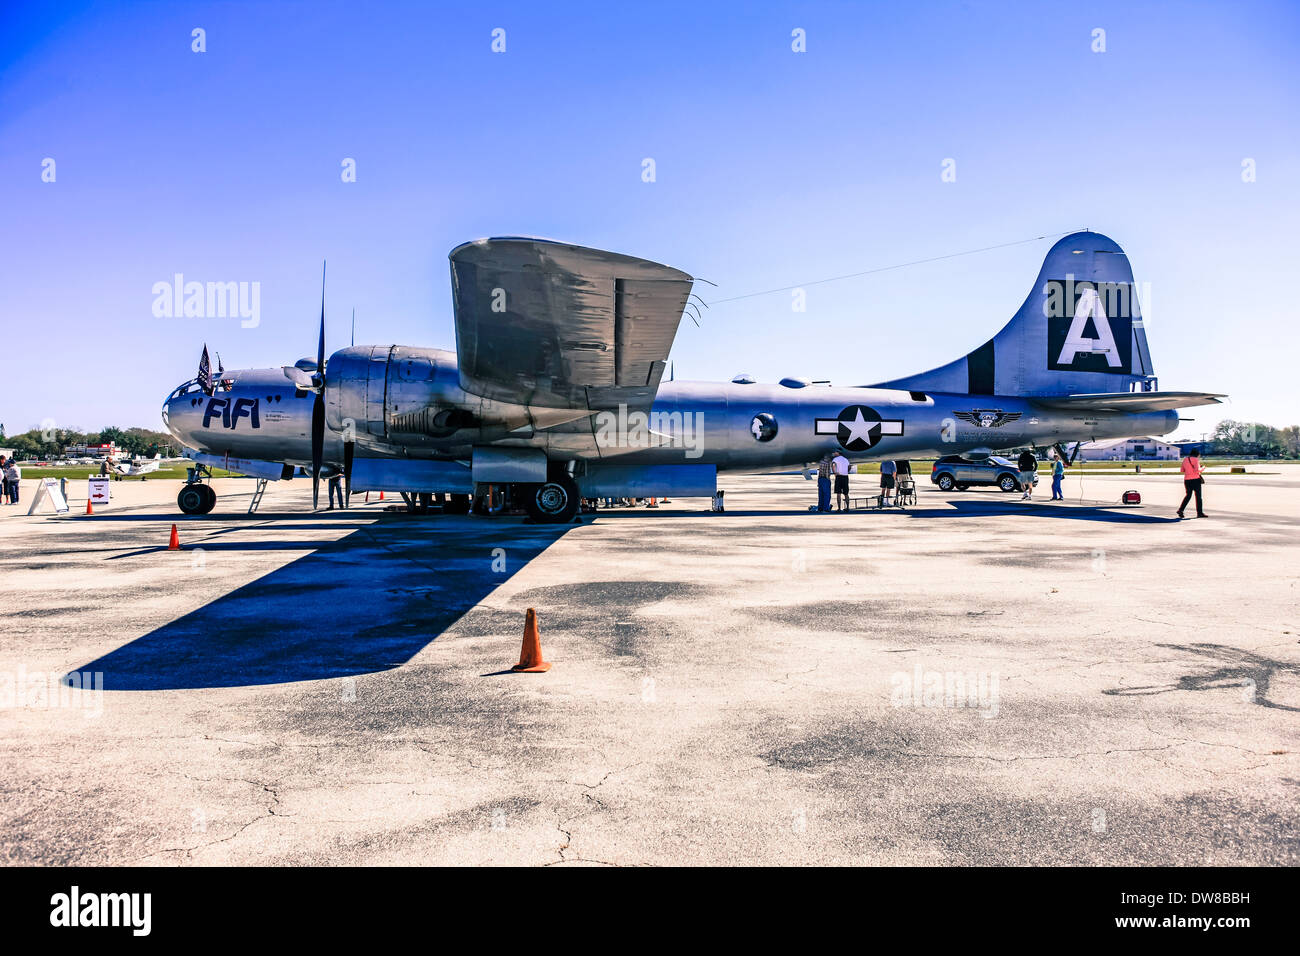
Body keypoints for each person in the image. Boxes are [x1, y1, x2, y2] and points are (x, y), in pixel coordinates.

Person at [1177, 447, 1207, 518]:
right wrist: (1203, 468)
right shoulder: (1196, 460)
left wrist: (1189, 469)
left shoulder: (1185, 459)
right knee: (1198, 497)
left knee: (1188, 495)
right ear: (1197, 454)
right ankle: (1199, 513)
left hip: (1187, 480)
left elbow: (1182, 470)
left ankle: (1181, 509)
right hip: (1195, 480)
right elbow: (1197, 471)